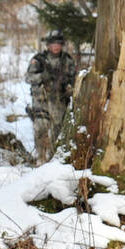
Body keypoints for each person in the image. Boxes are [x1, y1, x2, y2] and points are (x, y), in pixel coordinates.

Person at [25, 28, 77, 163]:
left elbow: (74, 80)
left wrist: (69, 88)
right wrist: (42, 76)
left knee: (58, 133)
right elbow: (28, 78)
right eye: (53, 44)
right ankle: (40, 159)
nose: (56, 46)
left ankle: (54, 161)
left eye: (59, 43)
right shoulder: (39, 60)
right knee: (41, 129)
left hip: (59, 102)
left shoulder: (68, 61)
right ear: (48, 45)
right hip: (41, 101)